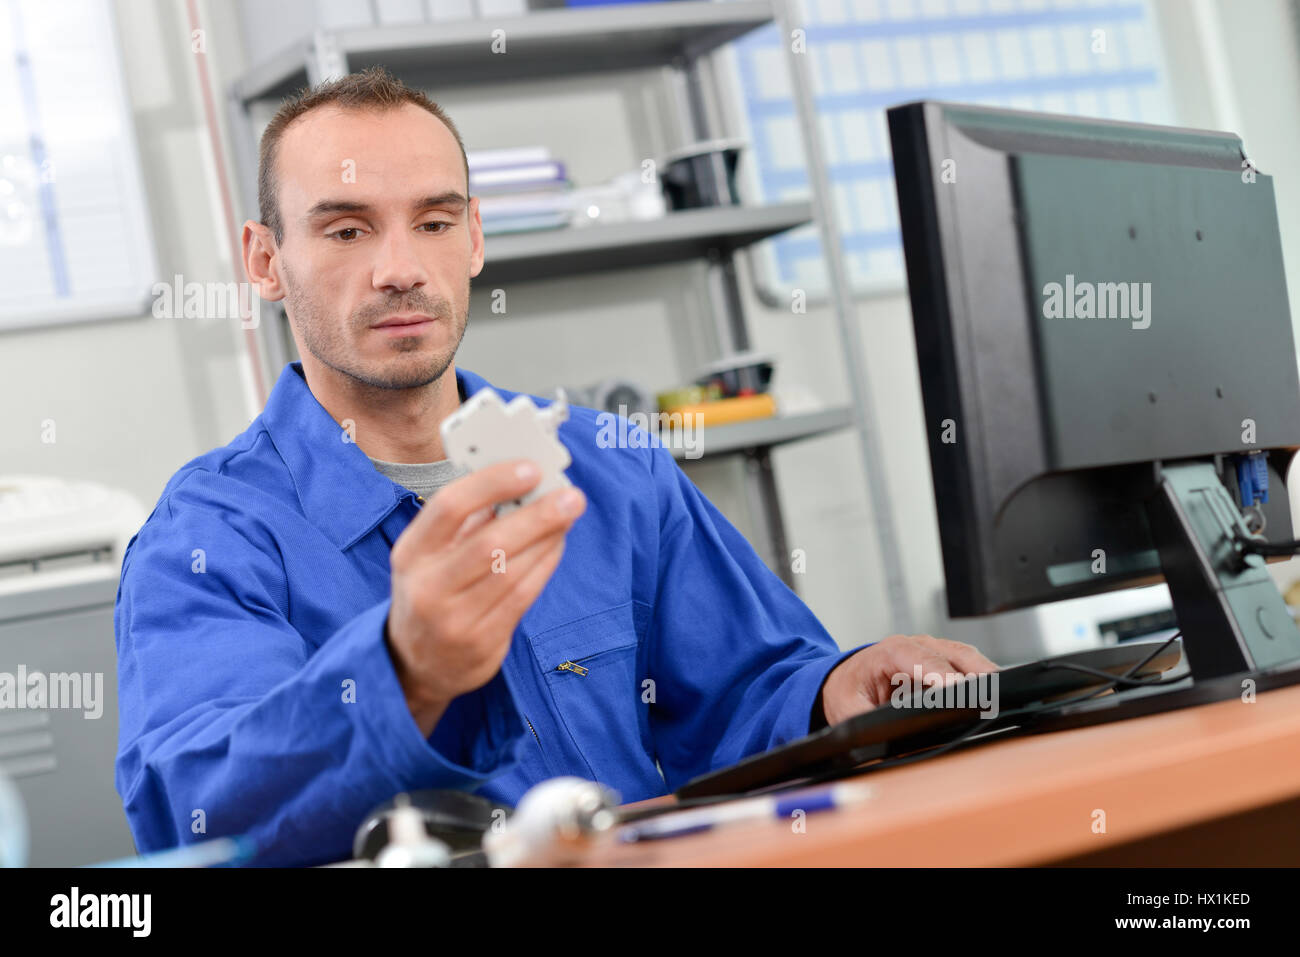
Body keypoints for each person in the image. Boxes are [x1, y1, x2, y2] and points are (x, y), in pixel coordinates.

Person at [114, 68, 997, 866]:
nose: (399, 268)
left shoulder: (613, 470)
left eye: (434, 220)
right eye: (346, 230)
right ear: (265, 261)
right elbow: (196, 815)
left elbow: (748, 691)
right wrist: (402, 672)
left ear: (475, 239)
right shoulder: (209, 538)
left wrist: (838, 689)